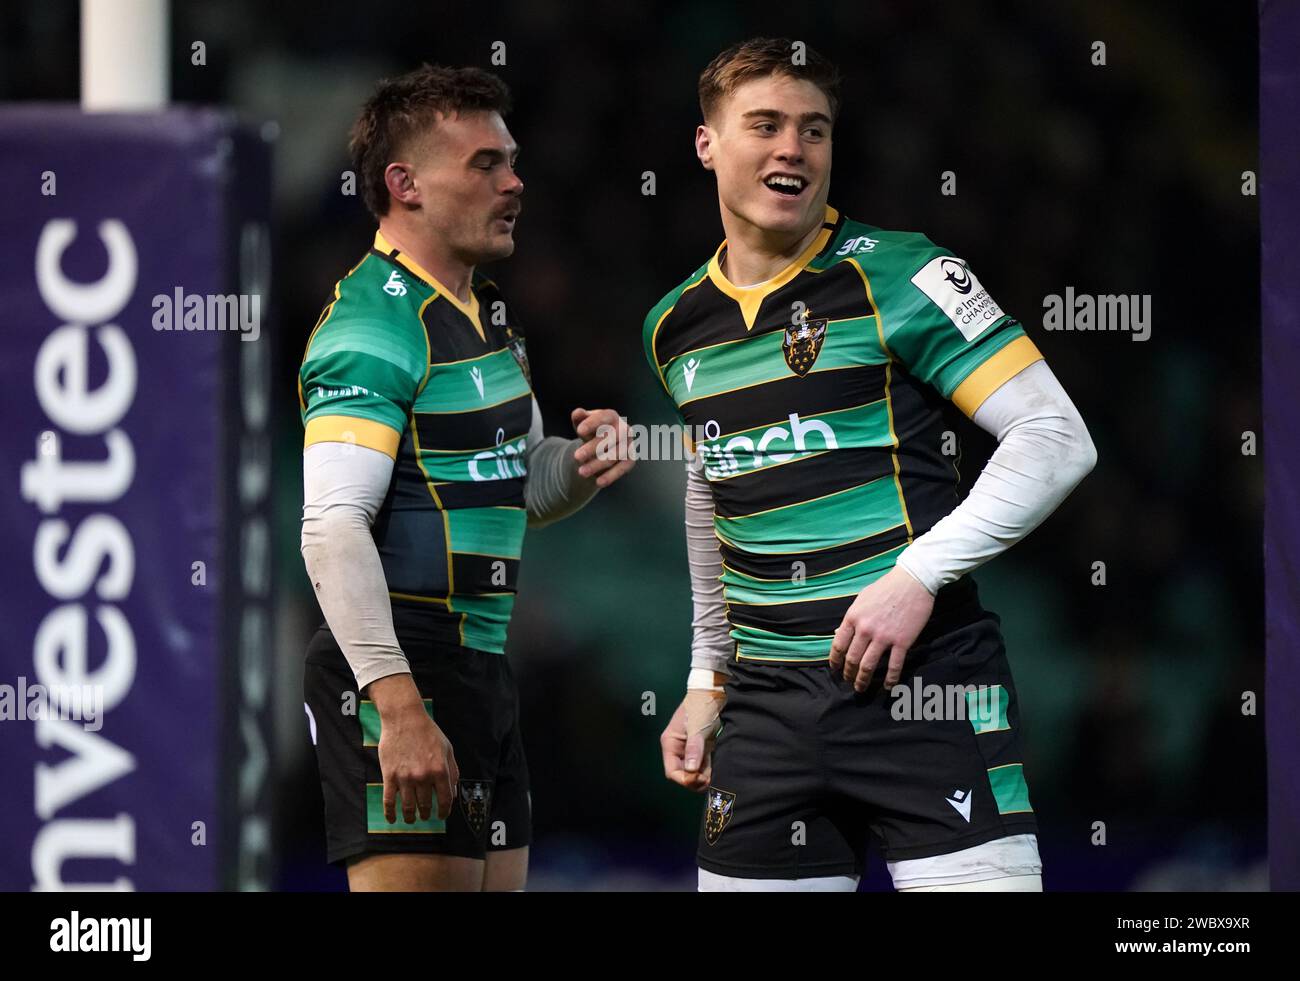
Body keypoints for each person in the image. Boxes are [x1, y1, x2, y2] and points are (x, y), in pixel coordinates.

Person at [644, 38, 1096, 891]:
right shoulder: (674, 325)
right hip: (767, 714)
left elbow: (1055, 436)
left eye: (814, 130)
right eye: (766, 125)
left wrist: (918, 575)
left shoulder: (906, 273)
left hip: (928, 689)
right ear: (707, 145)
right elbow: (713, 492)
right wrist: (708, 674)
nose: (792, 149)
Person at [299, 64, 632, 892]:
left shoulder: (484, 316)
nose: (514, 181)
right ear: (403, 184)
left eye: (511, 160)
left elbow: (517, 486)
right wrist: (400, 706)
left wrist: (580, 468)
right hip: (400, 664)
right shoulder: (372, 324)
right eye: (484, 163)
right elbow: (331, 527)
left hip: (480, 664)